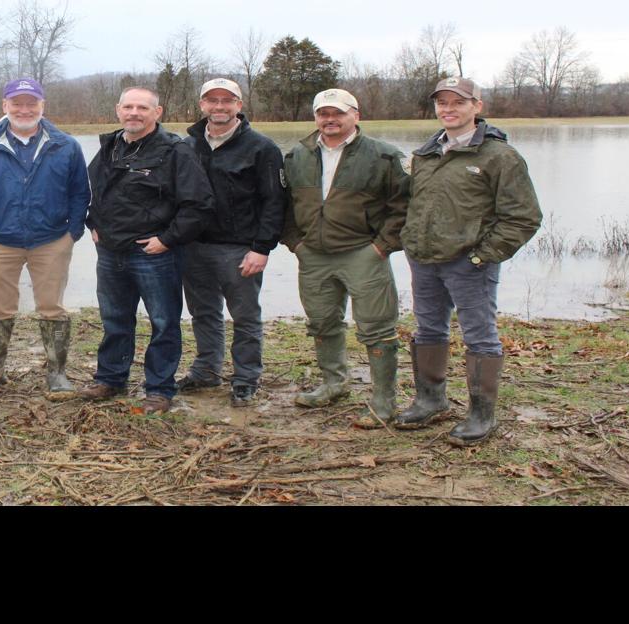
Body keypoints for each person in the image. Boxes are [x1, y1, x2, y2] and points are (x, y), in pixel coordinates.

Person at [398, 77, 543, 445]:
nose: (448, 109)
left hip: (470, 264)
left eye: (458, 102)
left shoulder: (500, 157)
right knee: (428, 330)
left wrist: (483, 256)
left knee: (480, 337)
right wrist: (410, 241)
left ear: (477, 107)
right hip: (424, 260)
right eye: (442, 103)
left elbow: (523, 217)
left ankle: (481, 415)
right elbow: (413, 204)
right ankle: (431, 400)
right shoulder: (426, 153)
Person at [79, 86, 214, 414]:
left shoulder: (176, 151)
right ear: (118, 110)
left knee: (164, 322)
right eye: (128, 107)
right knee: (114, 319)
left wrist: (167, 239)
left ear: (158, 112)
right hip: (111, 253)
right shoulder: (110, 146)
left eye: (142, 107)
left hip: (154, 254)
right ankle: (111, 378)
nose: (134, 113)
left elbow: (199, 205)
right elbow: (94, 190)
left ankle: (159, 389)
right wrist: (92, 223)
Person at [279, 88, 409, 428]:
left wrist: (381, 247)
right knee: (321, 322)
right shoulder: (297, 156)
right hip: (314, 256)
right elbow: (283, 208)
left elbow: (403, 208)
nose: (330, 119)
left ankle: (384, 399)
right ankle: (333, 383)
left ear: (356, 115)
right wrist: (296, 244)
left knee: (377, 327)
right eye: (323, 113)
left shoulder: (384, 157)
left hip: (364, 253)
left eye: (338, 113)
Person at [0, 78, 90, 397]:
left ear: (43, 106)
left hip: (51, 239)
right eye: (17, 103)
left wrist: (72, 232)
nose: (24, 109)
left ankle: (57, 374)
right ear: (5, 106)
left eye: (32, 103)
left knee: (52, 307)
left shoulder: (66, 145)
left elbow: (80, 192)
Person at [177, 78, 285, 408]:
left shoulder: (262, 148)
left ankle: (245, 377)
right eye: (213, 100)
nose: (219, 106)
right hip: (194, 247)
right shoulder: (187, 145)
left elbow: (275, 202)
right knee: (203, 313)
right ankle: (207, 369)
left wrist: (262, 248)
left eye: (227, 100)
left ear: (239, 105)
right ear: (202, 105)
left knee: (245, 317)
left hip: (240, 249)